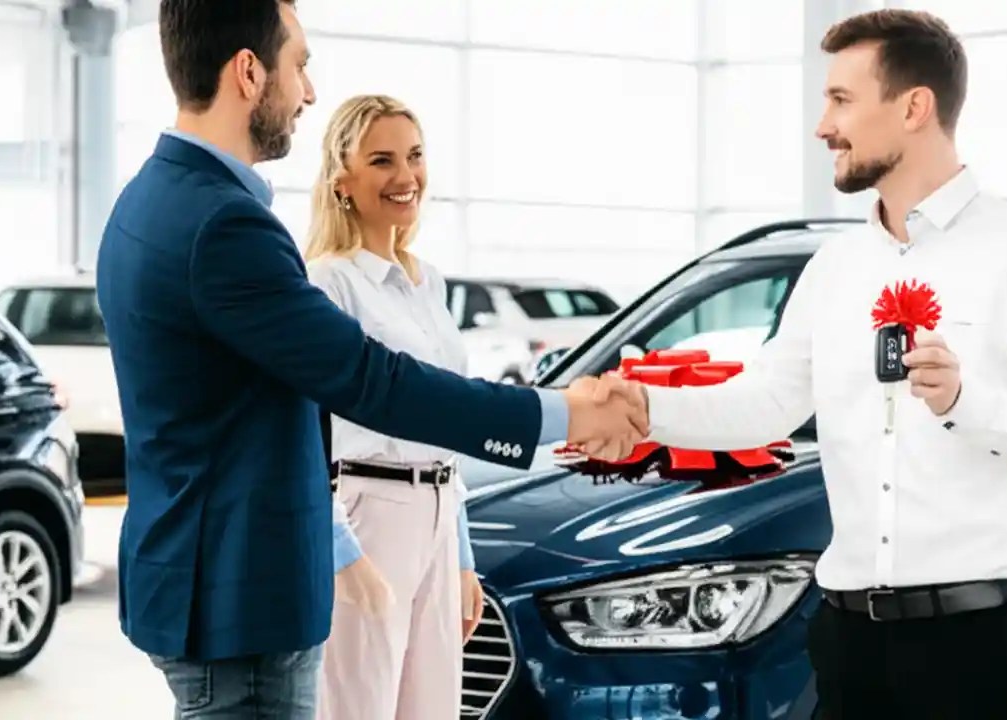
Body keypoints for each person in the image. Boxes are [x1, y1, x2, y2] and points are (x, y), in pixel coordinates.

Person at [95, 2, 644, 718]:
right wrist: (565, 410)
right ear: (249, 71)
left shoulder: (146, 200)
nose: (309, 92)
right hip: (243, 598)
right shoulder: (226, 225)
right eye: (300, 65)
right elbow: (373, 381)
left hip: (201, 579)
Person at [593, 9, 1007, 719]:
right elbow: (768, 402)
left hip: (976, 651)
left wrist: (966, 401)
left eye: (841, 100)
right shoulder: (836, 268)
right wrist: (647, 410)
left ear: (913, 107)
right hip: (848, 648)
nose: (822, 125)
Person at [302, 93, 481, 719]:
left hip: (437, 507)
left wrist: (461, 558)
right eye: (382, 160)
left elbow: (446, 426)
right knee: (357, 709)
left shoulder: (426, 281)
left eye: (415, 156)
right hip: (368, 512)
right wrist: (342, 553)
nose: (405, 177)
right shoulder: (327, 282)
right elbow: (302, 431)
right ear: (341, 180)